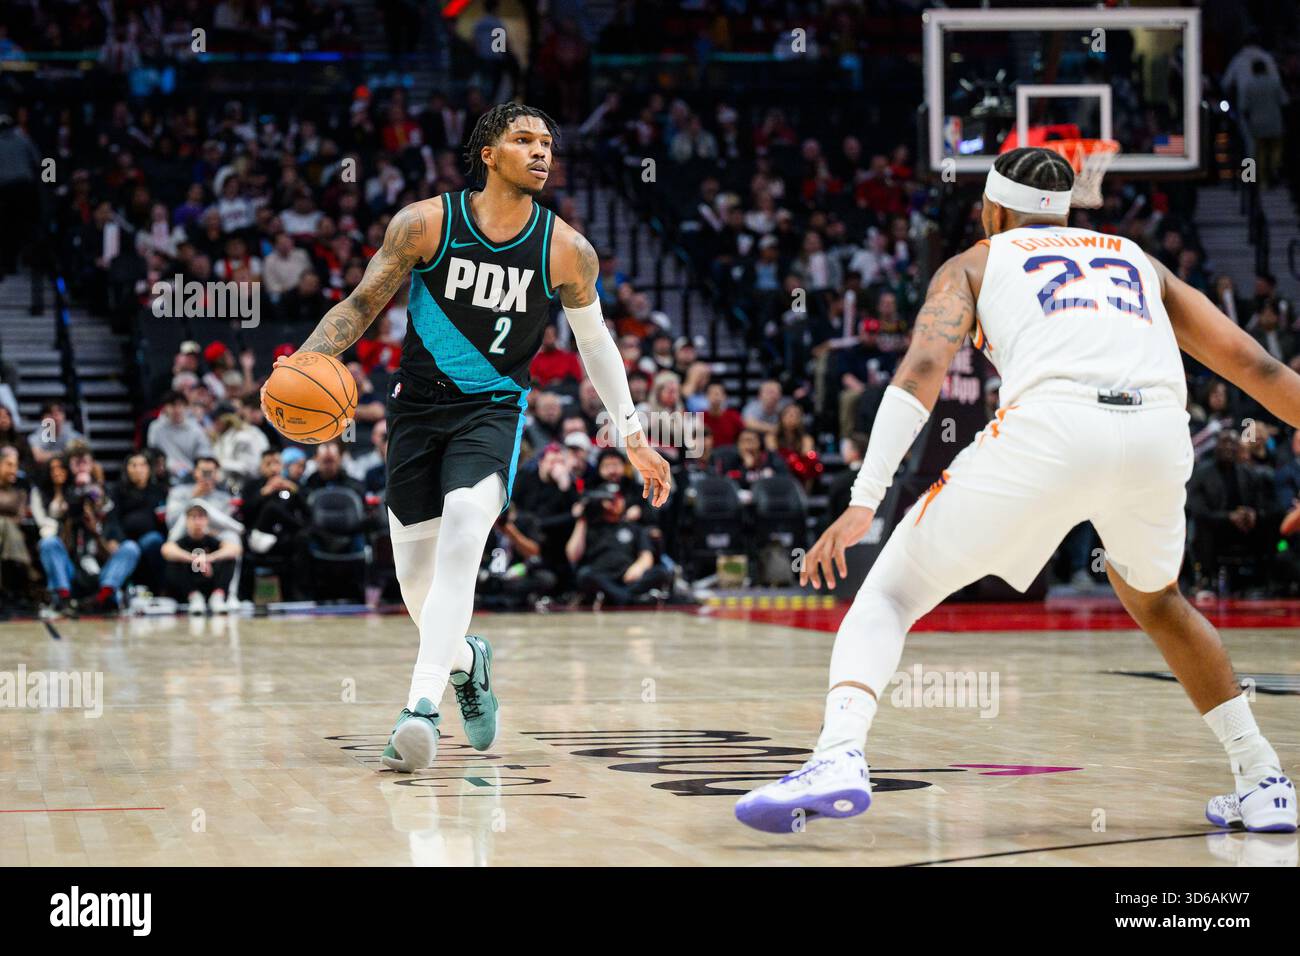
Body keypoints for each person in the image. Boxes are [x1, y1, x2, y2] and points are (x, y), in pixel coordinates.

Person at [736, 147, 1299, 835]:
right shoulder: (1134, 258)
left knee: (888, 593)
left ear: (992, 211)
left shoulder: (975, 260)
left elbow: (920, 371)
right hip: (1157, 434)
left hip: (1053, 429)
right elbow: (1257, 365)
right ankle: (1263, 778)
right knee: (1161, 602)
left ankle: (838, 755)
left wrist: (865, 498)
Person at [266, 103, 670, 772]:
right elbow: (363, 303)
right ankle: (466, 661)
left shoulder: (567, 248)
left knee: (463, 531)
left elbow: (595, 343)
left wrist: (633, 433)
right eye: (523, 139)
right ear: (488, 152)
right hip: (416, 413)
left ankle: (420, 707)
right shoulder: (425, 224)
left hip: (492, 415)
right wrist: (307, 360)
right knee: (418, 591)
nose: (540, 151)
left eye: (547, 141)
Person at [162, 504, 241, 615]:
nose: (197, 522)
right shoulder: (182, 541)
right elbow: (166, 549)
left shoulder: (212, 540)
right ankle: (194, 596)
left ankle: (218, 596)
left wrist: (210, 558)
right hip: (189, 585)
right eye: (193, 518)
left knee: (229, 559)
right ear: (187, 521)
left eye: (201, 517)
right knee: (172, 563)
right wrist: (195, 559)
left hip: (210, 582)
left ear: (207, 520)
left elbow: (235, 549)